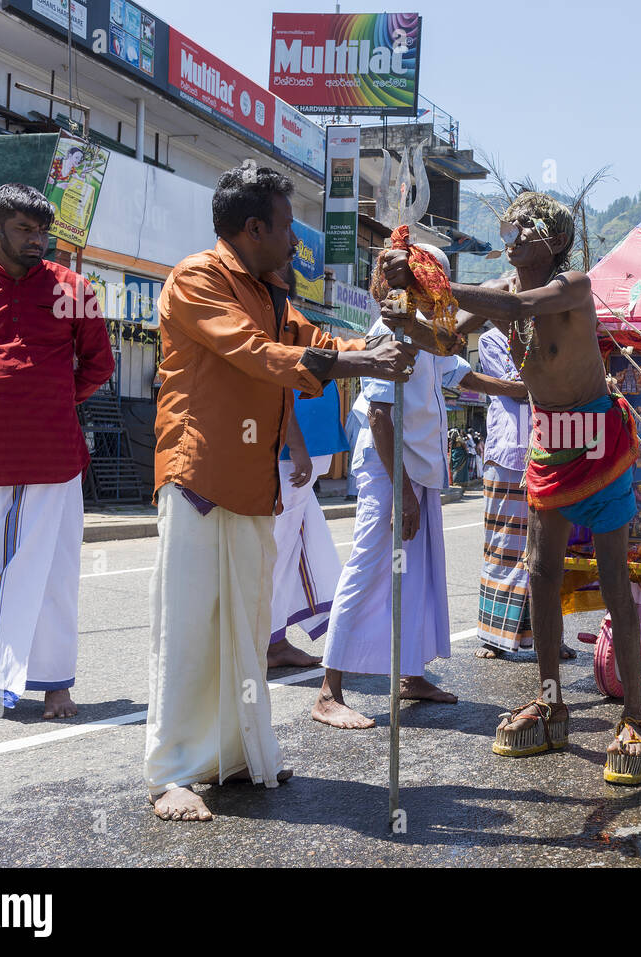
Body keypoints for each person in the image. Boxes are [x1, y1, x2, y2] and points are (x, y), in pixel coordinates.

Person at [143, 165, 415, 822]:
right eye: (288, 227)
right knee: (189, 629)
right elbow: (259, 355)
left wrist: (384, 338)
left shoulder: (270, 293)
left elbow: (314, 344)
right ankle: (171, 773)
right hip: (199, 477)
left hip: (254, 487)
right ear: (254, 228)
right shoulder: (197, 279)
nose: (296, 241)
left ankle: (233, 755)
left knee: (242, 628)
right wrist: (364, 362)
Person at [381, 190, 641, 783]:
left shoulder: (571, 284)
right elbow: (449, 340)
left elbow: (527, 303)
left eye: (526, 227)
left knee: (613, 581)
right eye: (510, 225)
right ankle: (553, 699)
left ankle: (634, 716)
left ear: (554, 242)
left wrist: (433, 282)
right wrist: (404, 310)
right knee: (540, 573)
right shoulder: (501, 293)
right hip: (549, 445)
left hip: (599, 446)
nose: (513, 234)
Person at [312, 246, 527, 729]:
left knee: (415, 572)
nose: (445, 289)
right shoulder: (393, 326)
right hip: (392, 470)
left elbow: (459, 372)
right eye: (440, 280)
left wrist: (514, 389)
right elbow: (380, 414)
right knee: (370, 567)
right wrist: (403, 491)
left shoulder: (429, 329)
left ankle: (410, 675)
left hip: (420, 467)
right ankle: (329, 692)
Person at [0, 183, 115, 718]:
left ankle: (56, 685)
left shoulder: (73, 288)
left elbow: (98, 364)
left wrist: (52, 400)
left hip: (55, 454)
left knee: (57, 570)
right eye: (24, 230)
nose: (37, 241)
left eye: (42, 232)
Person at [473, 316, 576, 660]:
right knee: (501, 548)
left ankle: (551, 637)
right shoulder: (490, 340)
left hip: (547, 453)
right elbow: (516, 389)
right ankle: (493, 638)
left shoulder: (548, 333)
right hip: (506, 455)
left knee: (546, 549)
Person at [267, 341, 350, 670]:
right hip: (292, 451)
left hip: (306, 447)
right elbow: (276, 378)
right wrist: (296, 444)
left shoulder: (288, 311)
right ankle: (264, 642)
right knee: (278, 550)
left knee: (292, 549)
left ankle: (274, 641)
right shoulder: (276, 311)